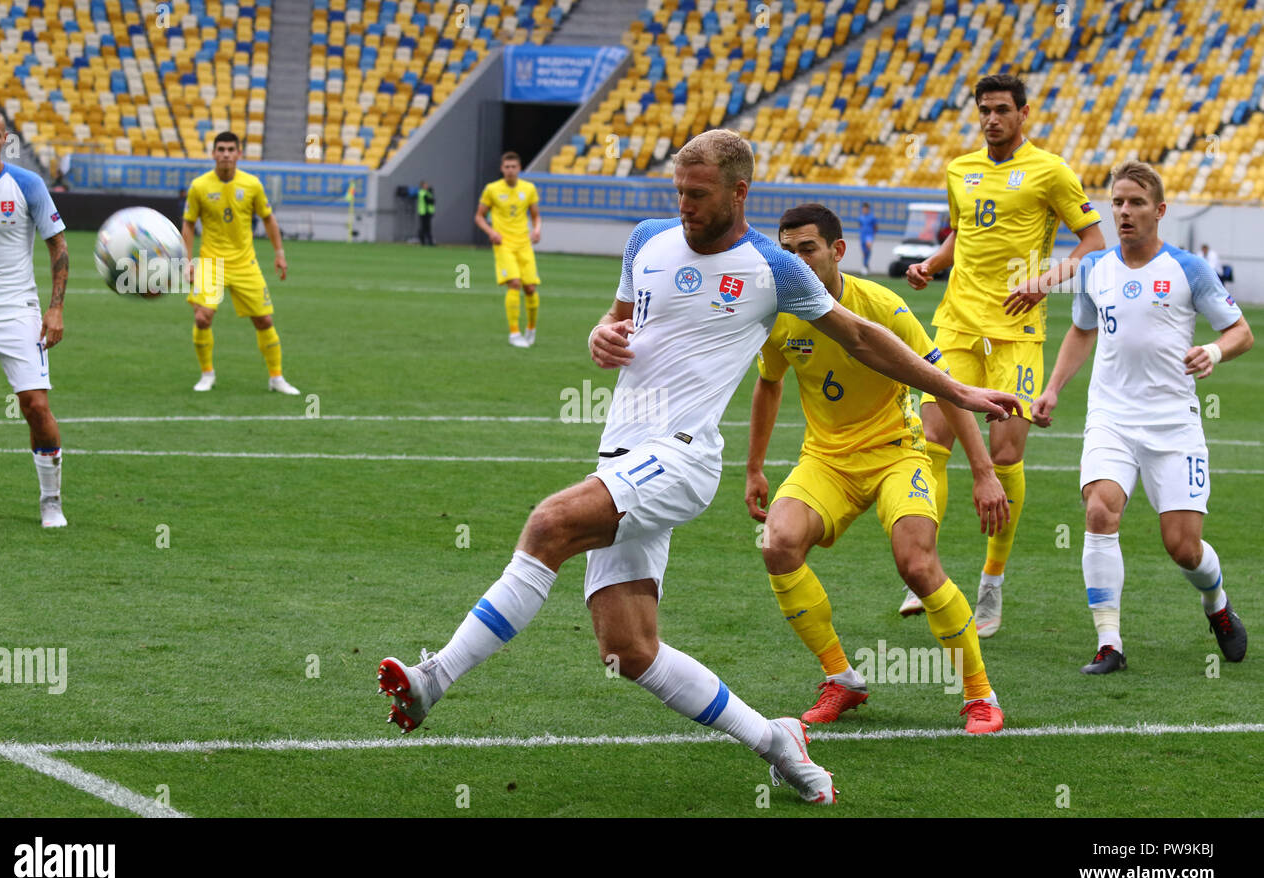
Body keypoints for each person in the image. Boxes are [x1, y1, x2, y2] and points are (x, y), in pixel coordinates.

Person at [378, 130, 1020, 805]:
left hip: (681, 458)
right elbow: (622, 319)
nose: (684, 204)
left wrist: (957, 391)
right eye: (679, 190)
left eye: (698, 193)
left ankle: (433, 678)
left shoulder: (774, 269)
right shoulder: (647, 240)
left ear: (740, 193)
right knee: (629, 650)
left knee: (548, 525)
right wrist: (601, 332)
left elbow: (862, 337)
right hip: (621, 455)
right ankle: (777, 741)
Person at [746, 204, 1010, 733]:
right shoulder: (778, 316)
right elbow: (769, 384)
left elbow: (945, 387)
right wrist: (754, 467)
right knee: (778, 543)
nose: (795, 261)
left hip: (896, 452)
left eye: (808, 249)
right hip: (826, 460)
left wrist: (983, 471)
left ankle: (980, 694)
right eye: (787, 251)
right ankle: (841, 680)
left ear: (837, 251)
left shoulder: (882, 307)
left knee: (915, 562)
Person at [903, 73, 1105, 634]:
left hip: (1016, 332)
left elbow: (1093, 243)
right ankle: (924, 565)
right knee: (932, 441)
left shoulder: (1052, 171)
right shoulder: (959, 168)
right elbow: (962, 232)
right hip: (957, 325)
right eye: (984, 110)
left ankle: (991, 583)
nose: (991, 119)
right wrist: (930, 265)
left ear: (1023, 113)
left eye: (1001, 110)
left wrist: (1046, 280)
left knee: (1007, 453)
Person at [1031, 160, 1252, 673]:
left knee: (1183, 547)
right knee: (1099, 512)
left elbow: (1241, 332)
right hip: (1111, 417)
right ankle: (1110, 644)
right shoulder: (1096, 269)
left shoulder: (1188, 269)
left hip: (1173, 424)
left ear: (1160, 210)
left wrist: (1214, 353)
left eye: (1135, 203)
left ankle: (1216, 604)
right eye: (1117, 202)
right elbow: (1082, 330)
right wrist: (1053, 389)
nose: (1124, 212)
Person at [0, 96, 69, 528]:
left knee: (35, 405)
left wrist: (55, 309)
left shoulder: (28, 185)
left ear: (5, 141)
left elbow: (58, 247)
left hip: (17, 312)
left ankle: (51, 502)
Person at [182, 131, 298, 394]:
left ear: (239, 154)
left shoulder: (252, 185)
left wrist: (279, 253)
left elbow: (268, 219)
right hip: (211, 264)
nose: (225, 154)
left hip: (245, 263)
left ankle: (276, 378)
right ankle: (207, 374)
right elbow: (188, 224)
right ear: (213, 153)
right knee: (202, 318)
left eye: (230, 149)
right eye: (220, 149)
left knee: (265, 321)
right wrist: (186, 261)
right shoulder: (199, 186)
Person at [476, 151, 541, 347]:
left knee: (530, 287)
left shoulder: (529, 189)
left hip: (524, 243)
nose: (510, 170)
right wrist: (491, 232)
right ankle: (514, 333)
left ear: (519, 168)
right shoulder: (492, 189)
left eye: (514, 167)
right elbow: (479, 216)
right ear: (502, 169)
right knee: (514, 283)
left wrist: (537, 230)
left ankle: (531, 328)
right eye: (507, 167)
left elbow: (536, 215)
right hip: (503, 243)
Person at [857, 201, 876, 273]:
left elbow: (875, 227)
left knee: (868, 248)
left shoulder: (872, 217)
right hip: (862, 236)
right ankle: (866, 265)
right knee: (864, 252)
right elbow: (860, 226)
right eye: (863, 209)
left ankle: (865, 266)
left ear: (868, 209)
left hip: (869, 236)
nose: (864, 210)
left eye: (866, 209)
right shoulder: (860, 218)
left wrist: (872, 235)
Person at [417, 180, 435, 246]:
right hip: (424, 212)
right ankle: (423, 241)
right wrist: (431, 196)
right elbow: (429, 201)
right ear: (422, 186)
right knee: (424, 227)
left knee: (427, 228)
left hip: (428, 212)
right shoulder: (422, 192)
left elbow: (433, 201)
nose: (427, 186)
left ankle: (428, 242)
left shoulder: (427, 192)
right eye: (425, 185)